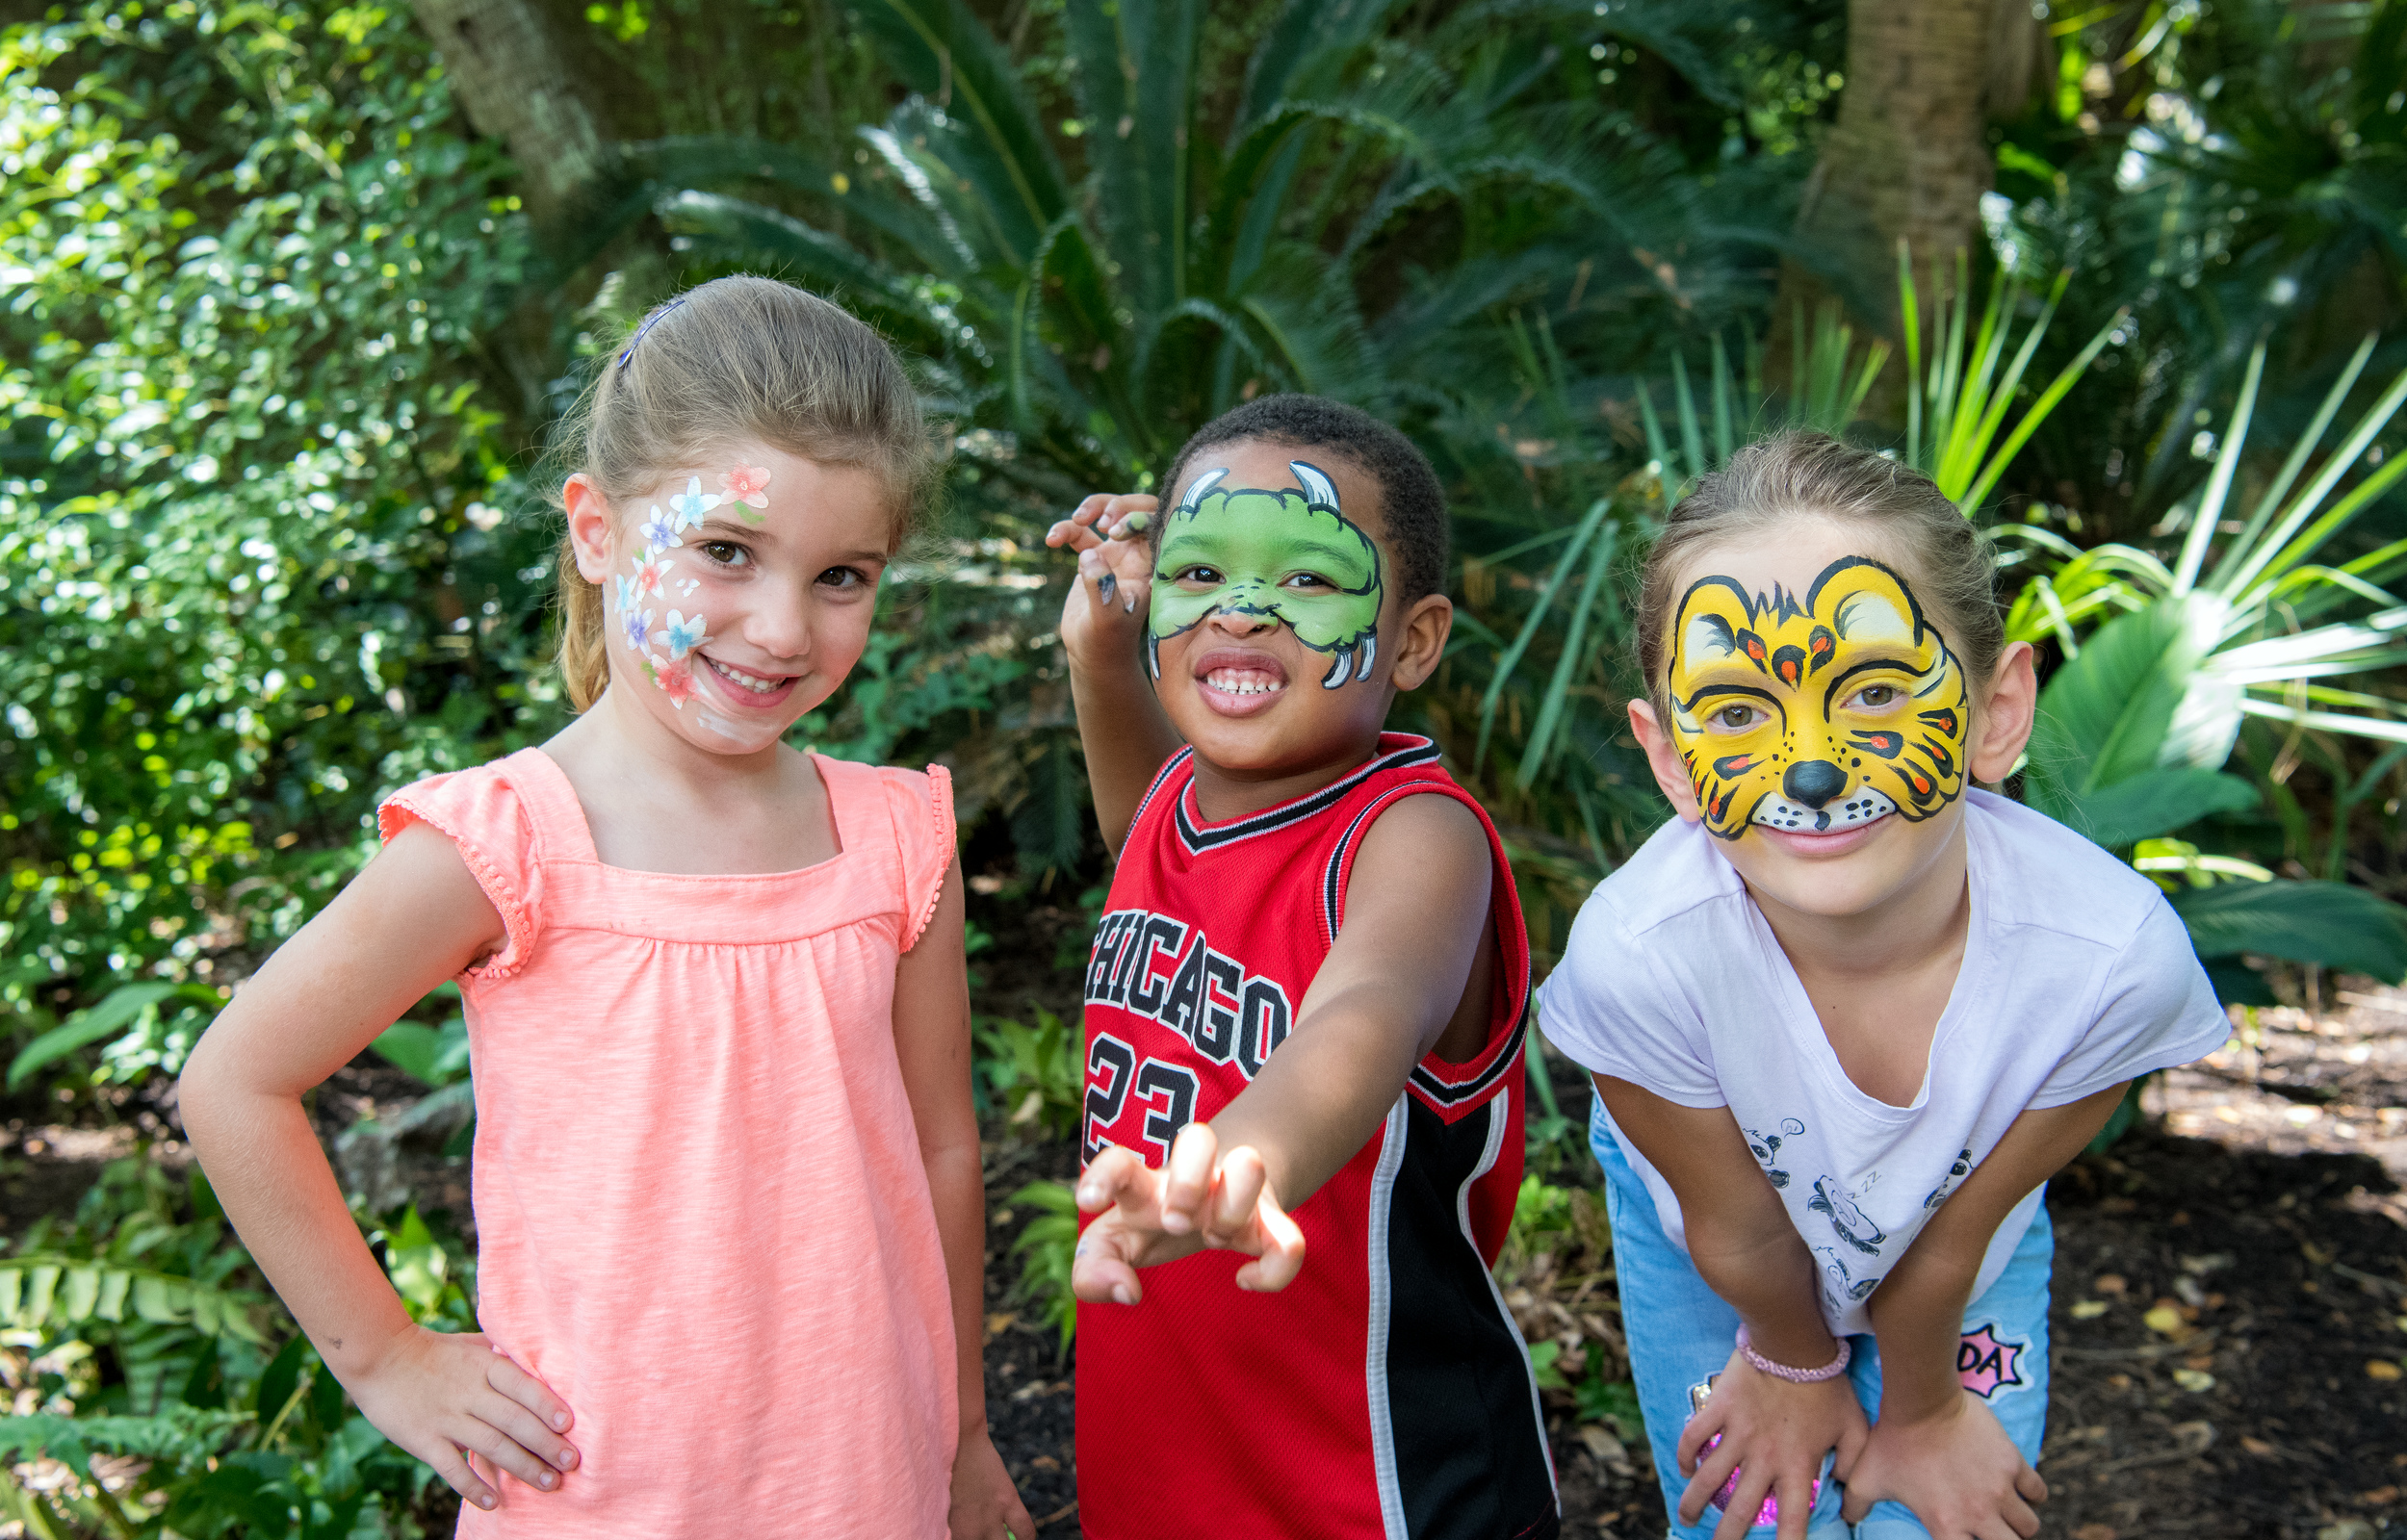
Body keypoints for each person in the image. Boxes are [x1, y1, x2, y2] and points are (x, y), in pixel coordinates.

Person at [177, 276, 1033, 1540]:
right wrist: (388, 1361)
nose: (781, 628)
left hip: (866, 1488)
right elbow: (234, 1081)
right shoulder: (505, 843)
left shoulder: (897, 838)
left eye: (841, 575)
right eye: (725, 552)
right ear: (596, 529)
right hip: (596, 1502)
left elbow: (943, 1151)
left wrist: (959, 1432)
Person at [1537, 432, 2232, 1540]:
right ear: (1669, 757)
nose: (1811, 765)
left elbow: (1950, 1245)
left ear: (1996, 712)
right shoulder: (1639, 959)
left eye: (1871, 691)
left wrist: (1922, 1408)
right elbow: (1741, 1234)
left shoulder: (2108, 965)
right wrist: (1790, 1361)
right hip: (1723, 1235)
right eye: (1735, 710)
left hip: (1955, 1234)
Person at [1043, 395, 1560, 1540]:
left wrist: (1242, 1160)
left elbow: (1364, 1014)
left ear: (1413, 640)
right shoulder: (1171, 806)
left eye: (1308, 578)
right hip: (1158, 1469)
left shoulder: (1415, 836)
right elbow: (1142, 823)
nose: (1240, 608)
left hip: (1377, 1488)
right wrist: (1100, 642)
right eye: (1201, 571)